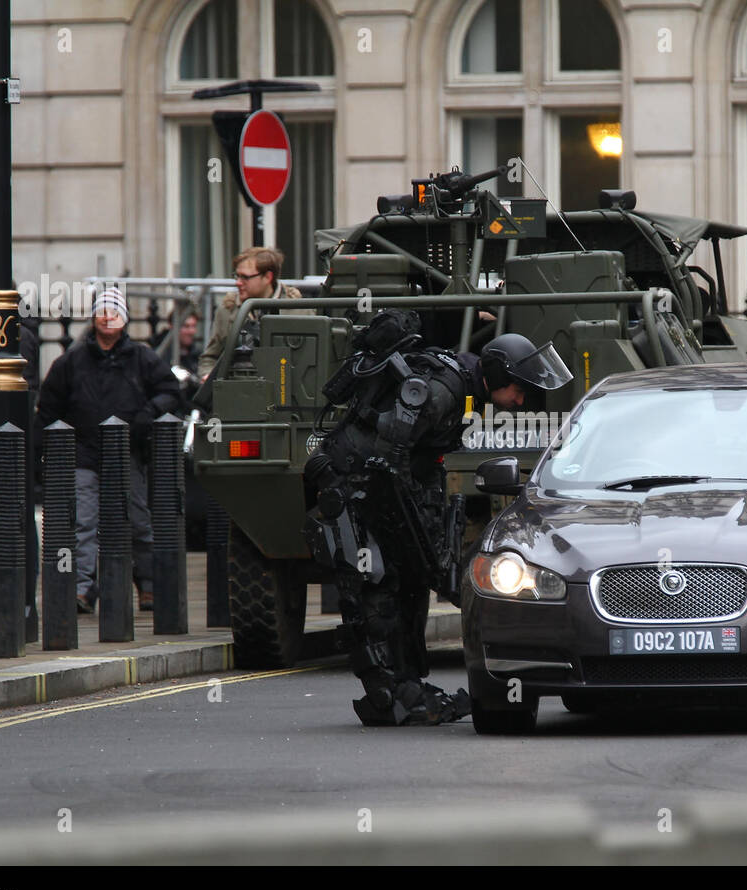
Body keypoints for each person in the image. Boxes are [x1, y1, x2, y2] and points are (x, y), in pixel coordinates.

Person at [303, 311, 572, 727]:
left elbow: (421, 461)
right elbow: (388, 455)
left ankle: (407, 685)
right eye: (519, 390)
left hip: (374, 486)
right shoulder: (442, 390)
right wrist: (408, 526)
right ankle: (385, 694)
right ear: (500, 376)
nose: (521, 400)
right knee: (375, 587)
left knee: (409, 586)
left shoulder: (464, 386)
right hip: (353, 484)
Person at [36, 288, 180, 614]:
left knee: (138, 520)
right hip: (84, 451)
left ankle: (148, 585)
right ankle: (83, 589)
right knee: (83, 522)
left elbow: (171, 392)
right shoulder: (72, 360)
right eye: (103, 311)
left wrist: (146, 414)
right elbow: (48, 407)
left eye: (114, 311)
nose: (107, 317)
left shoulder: (143, 358)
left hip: (128, 450)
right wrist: (38, 453)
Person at [198, 247, 303, 381]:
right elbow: (210, 357)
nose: (238, 282)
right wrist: (207, 375)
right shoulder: (227, 309)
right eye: (237, 276)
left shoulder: (297, 309)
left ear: (267, 277)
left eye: (245, 277)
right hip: (237, 390)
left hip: (285, 390)